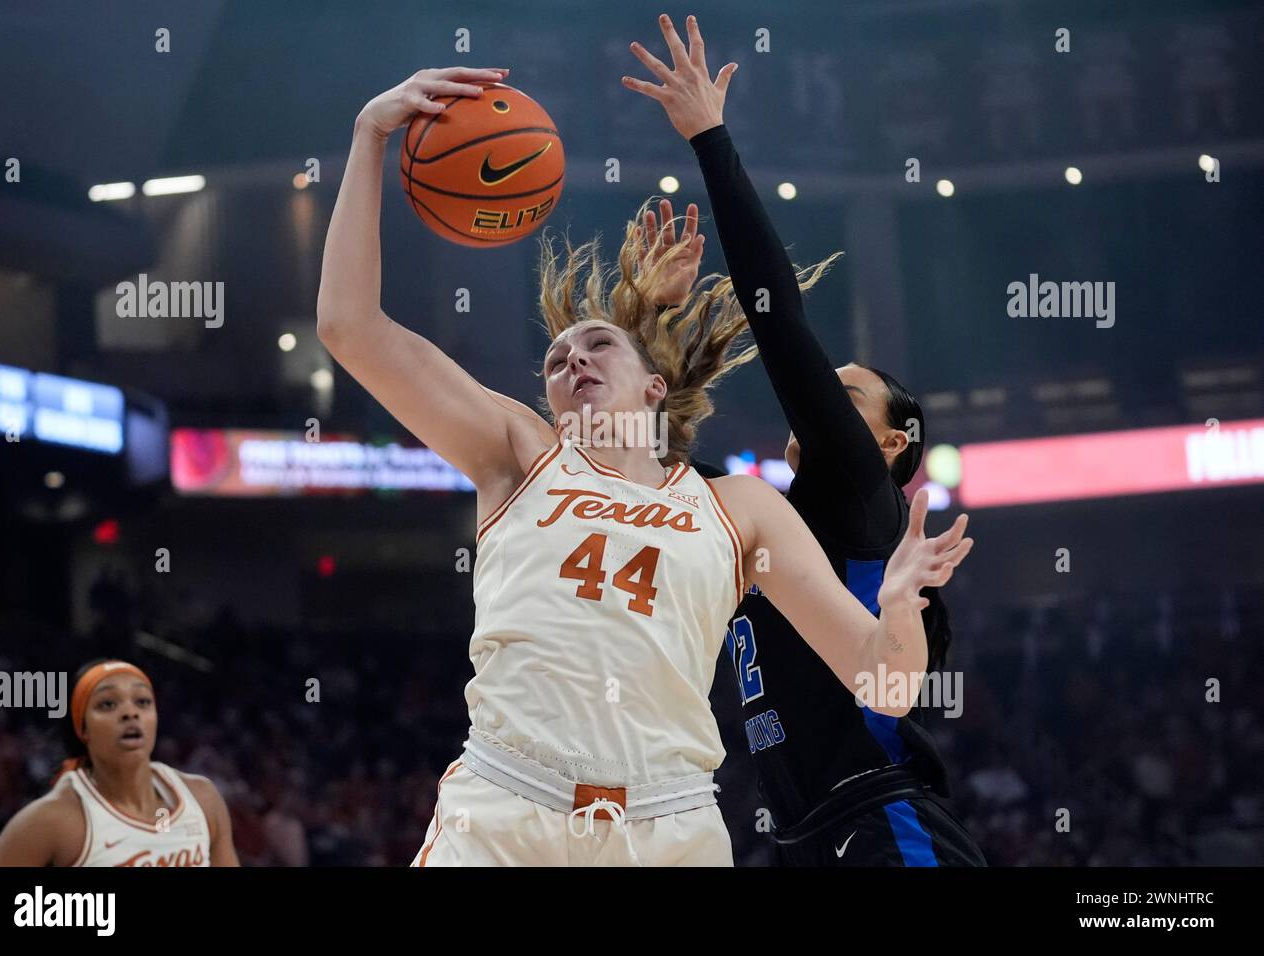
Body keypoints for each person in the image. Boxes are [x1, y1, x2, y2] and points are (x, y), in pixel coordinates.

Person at [318, 66, 973, 866]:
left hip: (668, 829)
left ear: (654, 386)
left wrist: (899, 609)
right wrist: (370, 134)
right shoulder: (520, 452)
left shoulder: (740, 507)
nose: (572, 360)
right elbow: (349, 325)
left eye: (597, 346)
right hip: (505, 808)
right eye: (557, 359)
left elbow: (885, 685)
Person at [624, 12, 986, 865]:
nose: (824, 397)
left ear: (893, 442)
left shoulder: (861, 496)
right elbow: (635, 452)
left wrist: (711, 140)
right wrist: (647, 313)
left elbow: (777, 321)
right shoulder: (755, 518)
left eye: (847, 391)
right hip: (800, 836)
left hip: (881, 821)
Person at [0, 659, 238, 866]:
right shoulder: (57, 819)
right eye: (107, 704)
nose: (130, 712)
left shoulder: (202, 798)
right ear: (82, 728)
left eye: (142, 701)